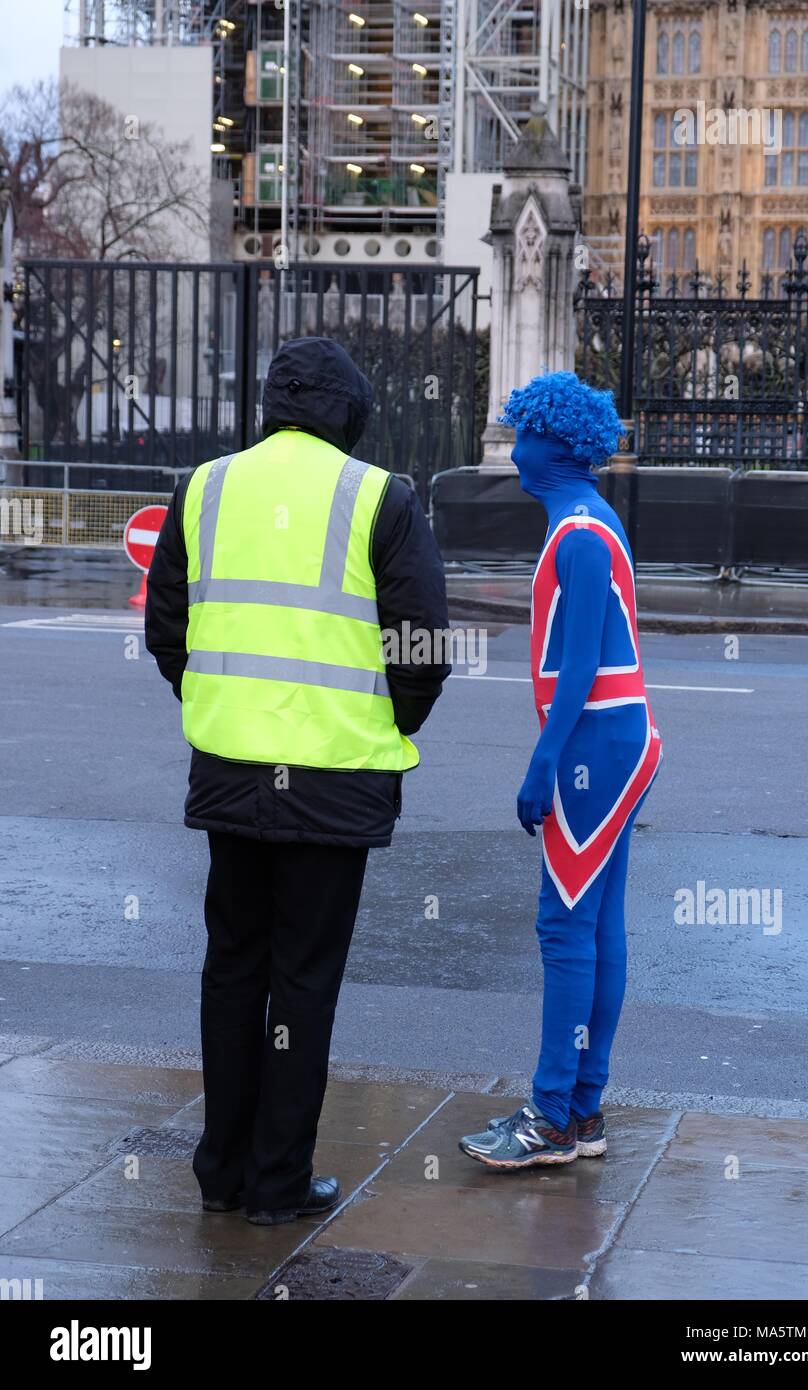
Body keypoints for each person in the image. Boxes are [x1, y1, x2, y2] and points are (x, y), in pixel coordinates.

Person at [145, 336, 449, 1223]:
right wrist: (392, 719)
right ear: (351, 414)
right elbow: (421, 642)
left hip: (230, 772)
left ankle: (221, 1173)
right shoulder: (379, 497)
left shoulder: (203, 487)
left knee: (231, 969)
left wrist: (216, 703)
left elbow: (171, 628)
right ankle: (279, 1183)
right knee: (302, 983)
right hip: (334, 778)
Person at [459, 372, 662, 1169]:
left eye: (525, 432)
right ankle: (582, 1110)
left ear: (558, 443)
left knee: (566, 926)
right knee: (598, 921)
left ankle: (549, 1116)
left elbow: (577, 665)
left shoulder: (577, 531)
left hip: (592, 749)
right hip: (622, 741)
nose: (516, 446)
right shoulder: (593, 520)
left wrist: (542, 764)